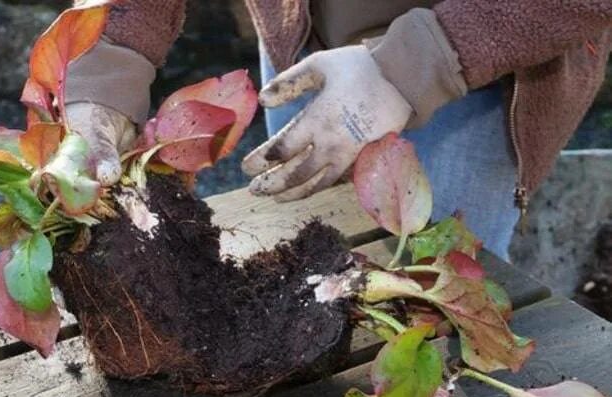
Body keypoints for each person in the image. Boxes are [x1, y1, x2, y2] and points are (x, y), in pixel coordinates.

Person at [65, 1, 612, 259]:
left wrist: (418, 63)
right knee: (311, 262)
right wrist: (111, 56)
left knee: (429, 302)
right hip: (305, 36)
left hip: (478, 73)